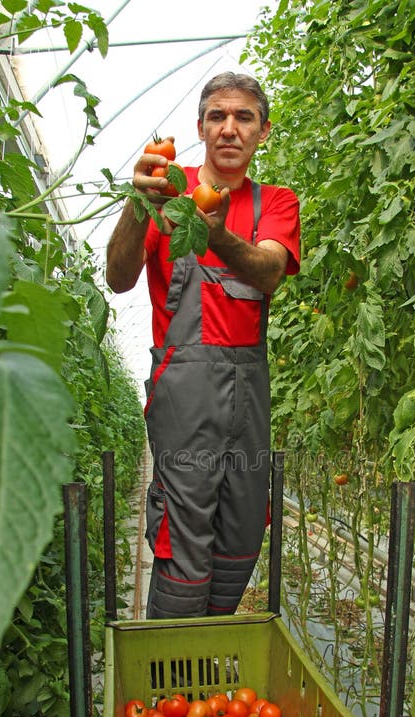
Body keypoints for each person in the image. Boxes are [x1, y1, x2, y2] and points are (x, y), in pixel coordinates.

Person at [106, 72, 300, 619]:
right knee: (183, 539)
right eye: (217, 116)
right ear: (199, 128)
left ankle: (208, 676)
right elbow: (118, 278)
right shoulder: (167, 190)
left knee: (241, 537)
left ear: (263, 131)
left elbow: (268, 271)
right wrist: (137, 202)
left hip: (249, 401)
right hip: (185, 397)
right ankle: (170, 682)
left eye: (244, 117)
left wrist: (212, 231)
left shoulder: (276, 203)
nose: (229, 129)